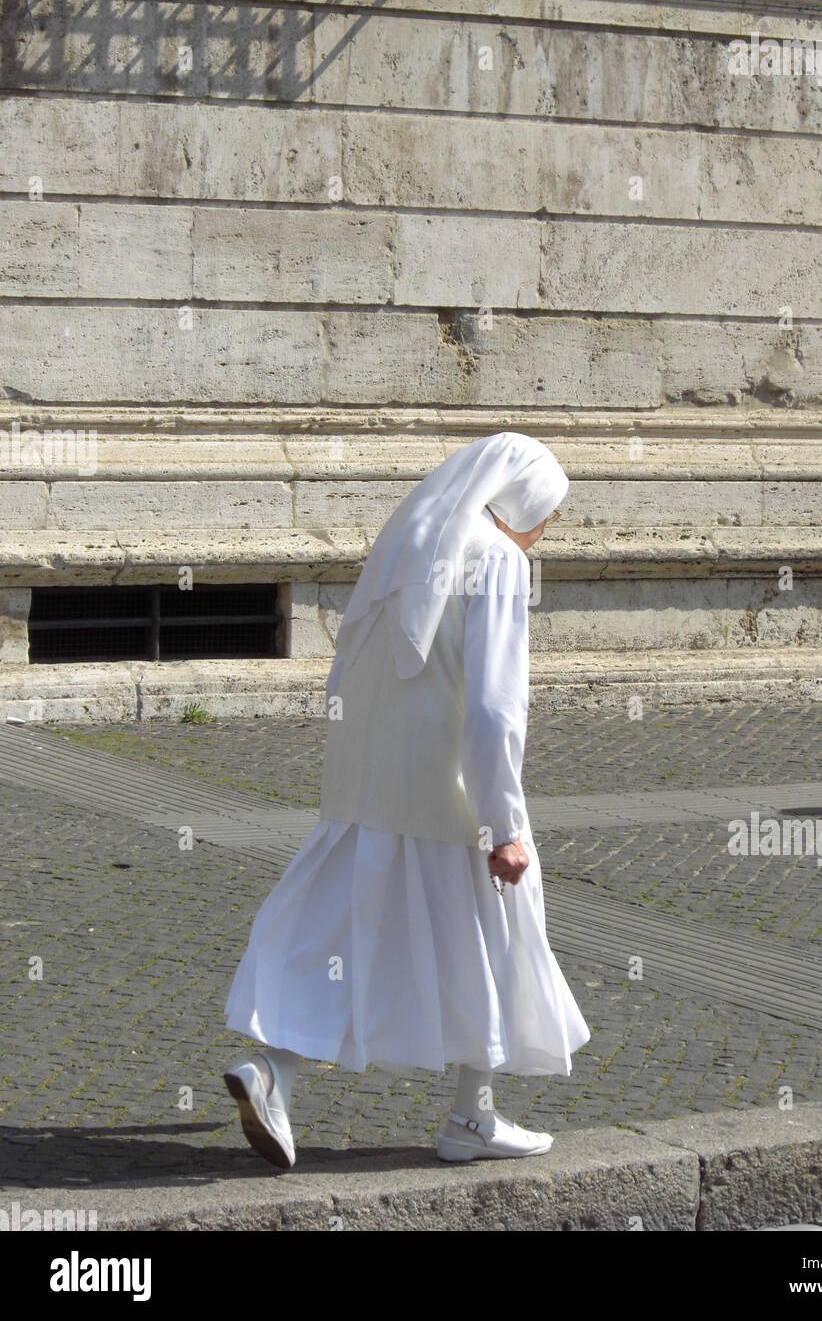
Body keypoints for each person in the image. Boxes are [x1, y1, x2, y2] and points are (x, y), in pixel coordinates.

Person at [223, 431, 591, 1167]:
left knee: (348, 931)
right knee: (496, 934)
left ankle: (276, 1072)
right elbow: (494, 709)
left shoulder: (412, 544)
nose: (547, 529)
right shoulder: (501, 561)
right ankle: (471, 1118)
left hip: (369, 787)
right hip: (450, 790)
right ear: (525, 503)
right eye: (549, 513)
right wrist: (504, 823)